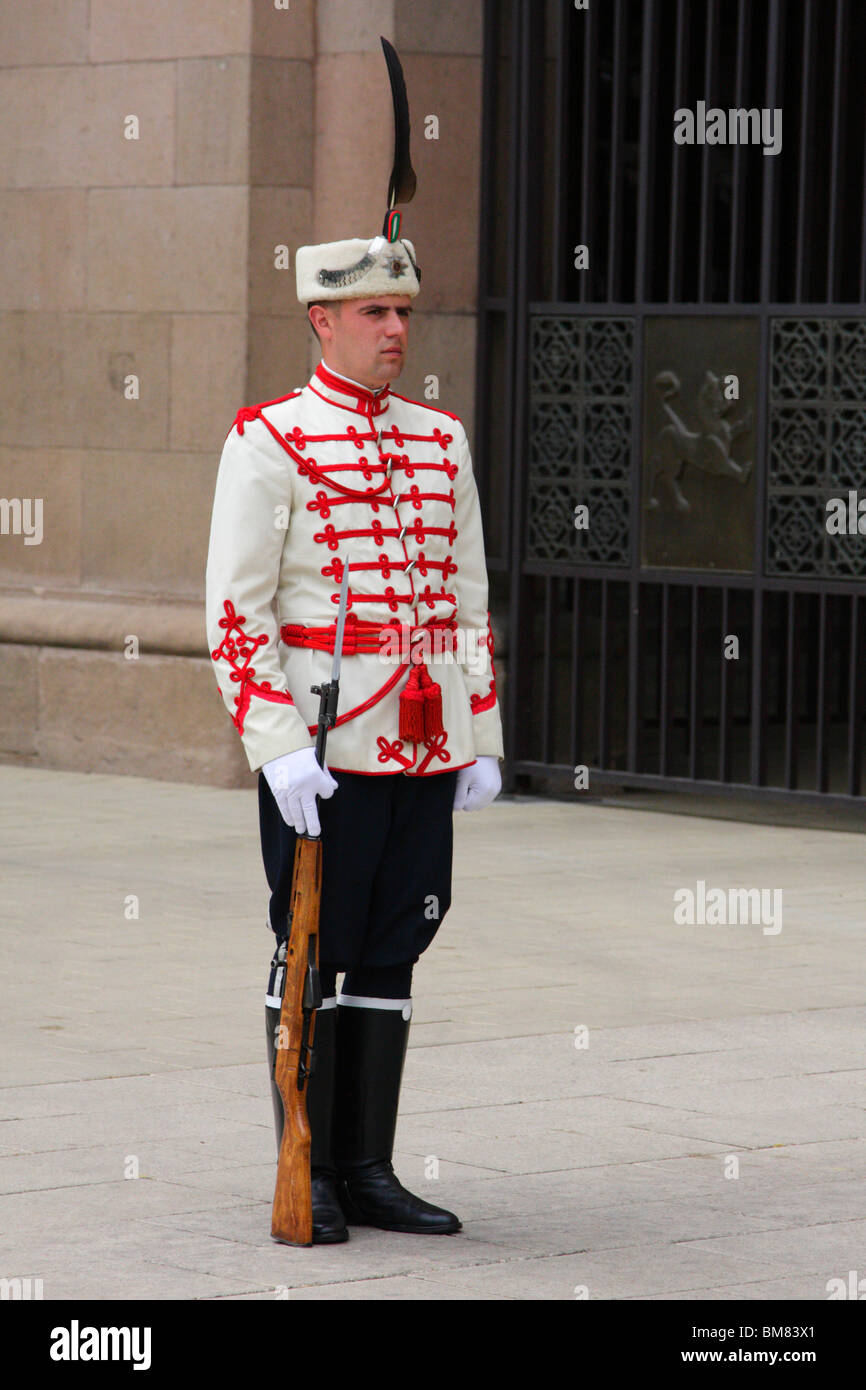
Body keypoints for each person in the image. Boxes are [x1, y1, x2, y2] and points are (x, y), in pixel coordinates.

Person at [205, 229, 503, 1243]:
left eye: (403, 311)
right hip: (324, 749)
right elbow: (235, 610)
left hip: (423, 740)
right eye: (373, 312)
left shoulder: (441, 439)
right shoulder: (270, 439)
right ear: (321, 320)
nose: (395, 330)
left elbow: (467, 598)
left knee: (395, 943)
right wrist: (274, 741)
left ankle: (369, 1168)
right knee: (312, 943)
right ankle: (312, 1168)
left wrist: (480, 728)